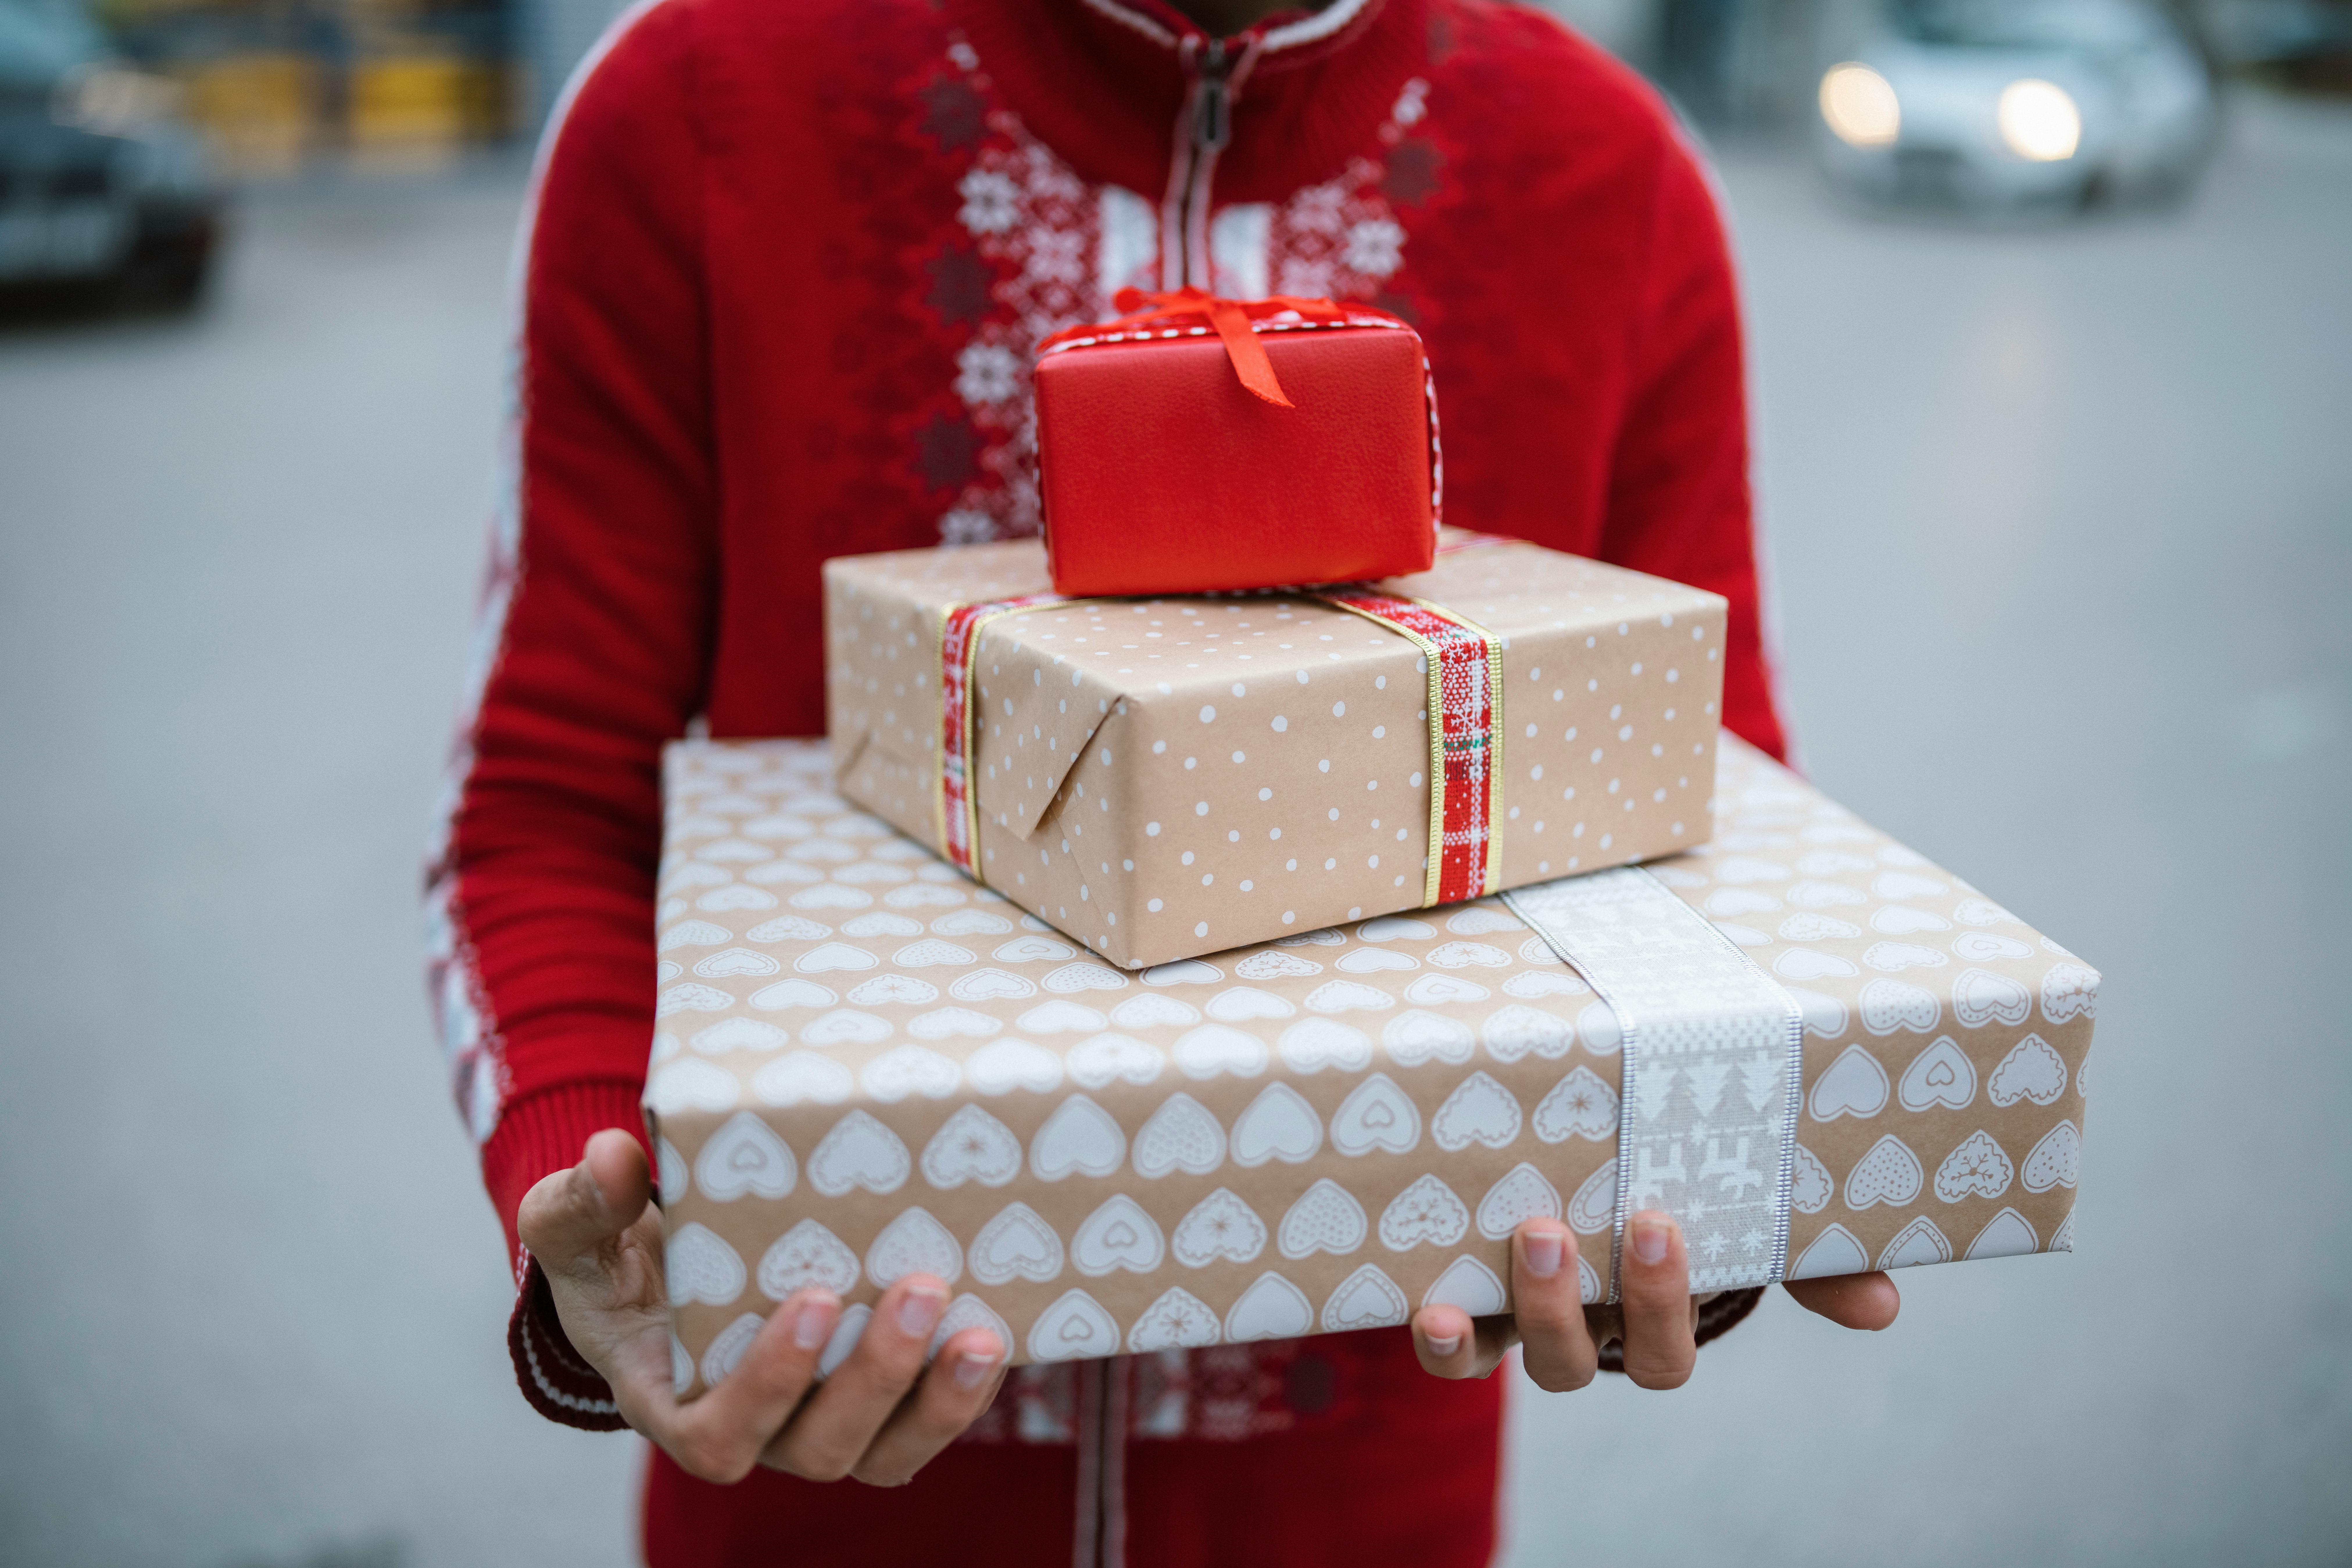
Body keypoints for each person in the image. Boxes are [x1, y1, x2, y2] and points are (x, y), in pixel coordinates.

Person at [425, 0, 1902, 1562]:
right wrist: (608, 1210)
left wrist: (1694, 1185)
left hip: (1367, 1503)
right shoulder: (697, 99)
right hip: (813, 1491)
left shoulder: (1617, 170)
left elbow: (1705, 803)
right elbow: (541, 804)